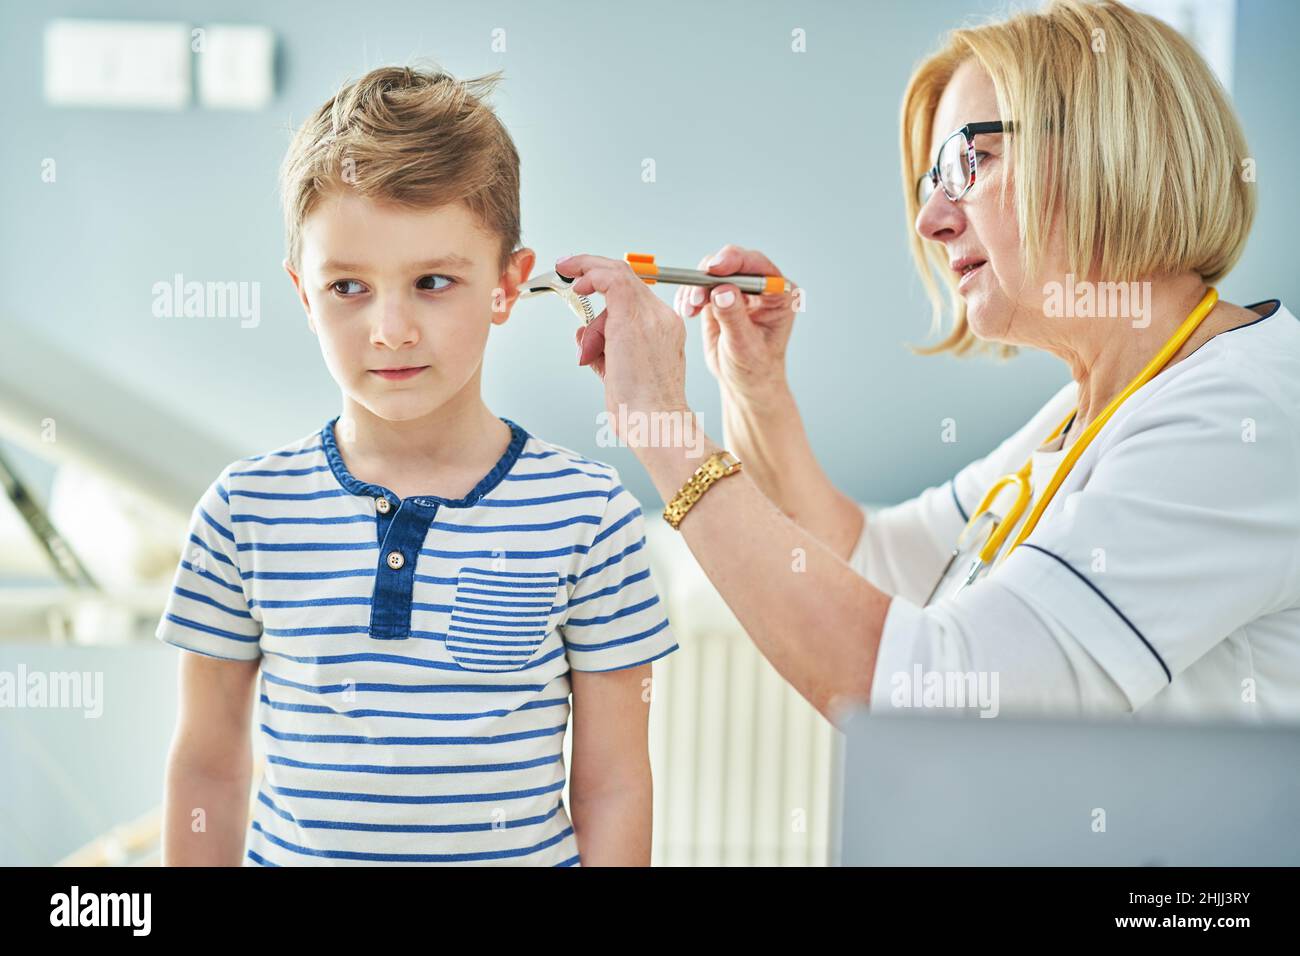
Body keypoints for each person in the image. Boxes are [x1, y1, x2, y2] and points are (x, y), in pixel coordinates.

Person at [562, 0, 1300, 724]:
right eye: (932, 180)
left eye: (969, 161)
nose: (930, 219)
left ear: (1108, 151)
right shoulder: (1103, 400)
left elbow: (946, 690)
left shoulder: (1243, 413)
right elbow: (872, 562)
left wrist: (663, 430)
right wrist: (754, 389)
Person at [155, 65, 677, 867]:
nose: (390, 329)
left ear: (507, 286)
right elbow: (207, 770)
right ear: (303, 293)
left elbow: (613, 784)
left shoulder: (589, 514)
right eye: (349, 287)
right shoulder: (242, 511)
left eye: (434, 282)